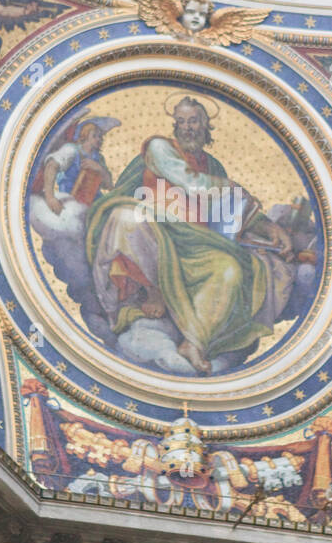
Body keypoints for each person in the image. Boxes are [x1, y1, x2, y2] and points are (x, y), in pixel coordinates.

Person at [85, 96, 295, 375]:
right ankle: (153, 290)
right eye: (180, 122)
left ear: (206, 125)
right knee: (127, 218)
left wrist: (269, 227)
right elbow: (192, 184)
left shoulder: (213, 167)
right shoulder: (160, 148)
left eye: (193, 121)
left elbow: (230, 208)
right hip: (157, 230)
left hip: (197, 242)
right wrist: (235, 189)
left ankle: (194, 342)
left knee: (230, 268)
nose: (187, 128)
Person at [30, 118, 115, 240]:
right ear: (84, 136)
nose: (99, 139)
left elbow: (109, 185)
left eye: (101, 137)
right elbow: (51, 166)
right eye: (95, 136)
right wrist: (50, 197)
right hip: (72, 199)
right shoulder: (71, 150)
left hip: (95, 200)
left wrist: (100, 169)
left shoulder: (98, 158)